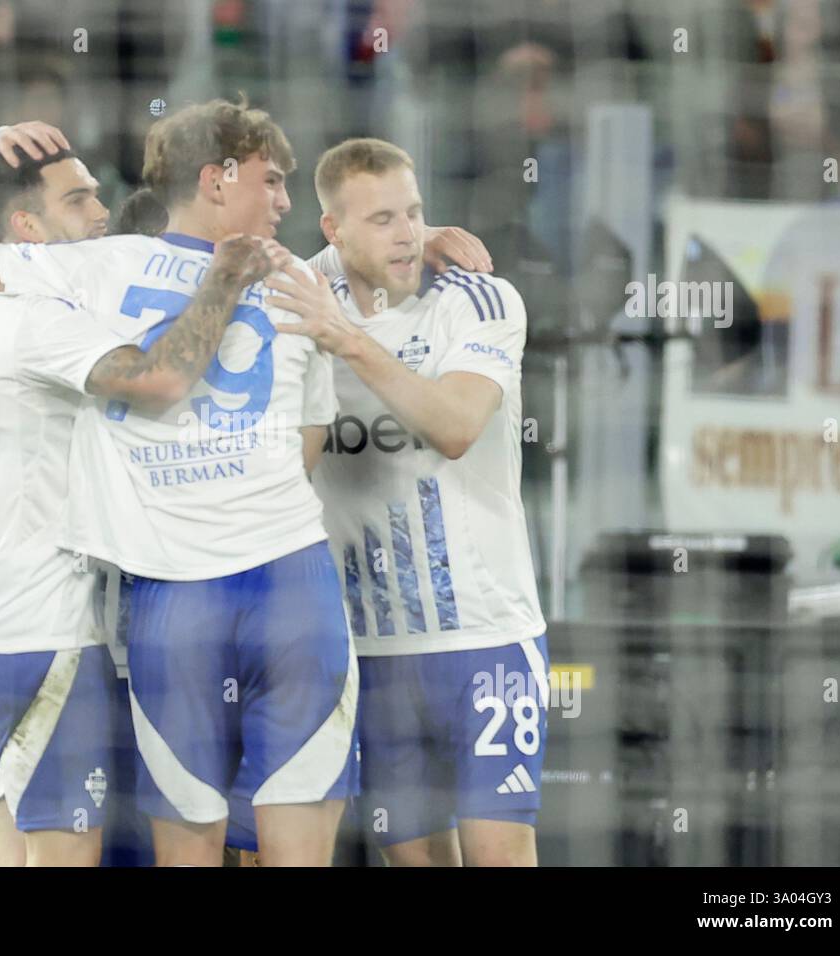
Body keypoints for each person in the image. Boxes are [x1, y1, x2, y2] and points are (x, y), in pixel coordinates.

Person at [0, 98, 359, 866]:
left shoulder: (4, 299)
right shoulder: (48, 314)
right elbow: (160, 377)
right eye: (79, 198)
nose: (102, 209)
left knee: (17, 848)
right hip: (55, 621)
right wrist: (223, 279)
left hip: (15, 613)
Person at [265, 138, 549, 866]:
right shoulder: (296, 298)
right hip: (371, 649)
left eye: (415, 214)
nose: (408, 235)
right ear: (333, 229)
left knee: (498, 856)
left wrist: (351, 343)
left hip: (483, 637)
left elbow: (454, 428)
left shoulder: (478, 297)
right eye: (384, 218)